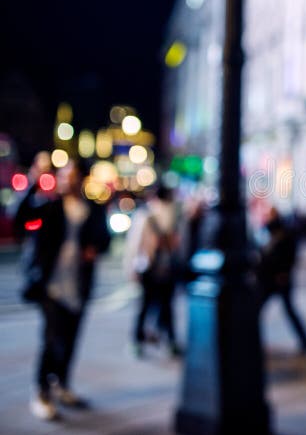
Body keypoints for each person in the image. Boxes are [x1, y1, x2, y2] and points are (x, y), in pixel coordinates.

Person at [13, 159, 110, 421]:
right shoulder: (50, 205)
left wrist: (94, 248)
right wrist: (32, 182)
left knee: (70, 339)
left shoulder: (92, 208)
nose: (70, 180)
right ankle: (42, 391)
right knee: (52, 338)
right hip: (51, 285)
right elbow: (19, 218)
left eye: (74, 175)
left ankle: (62, 384)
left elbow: (104, 239)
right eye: (66, 175)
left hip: (78, 285)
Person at [125, 185, 182, 358]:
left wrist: (131, 268)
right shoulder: (171, 215)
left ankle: (140, 340)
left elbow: (134, 245)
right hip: (160, 268)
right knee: (163, 306)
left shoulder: (147, 215)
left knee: (147, 306)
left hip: (151, 267)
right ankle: (167, 340)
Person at [255, 206, 306, 354]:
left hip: (280, 280)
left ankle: (305, 341)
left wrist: (284, 272)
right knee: (258, 309)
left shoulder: (284, 232)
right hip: (267, 280)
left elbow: (290, 255)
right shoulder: (264, 232)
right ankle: (253, 339)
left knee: (289, 310)